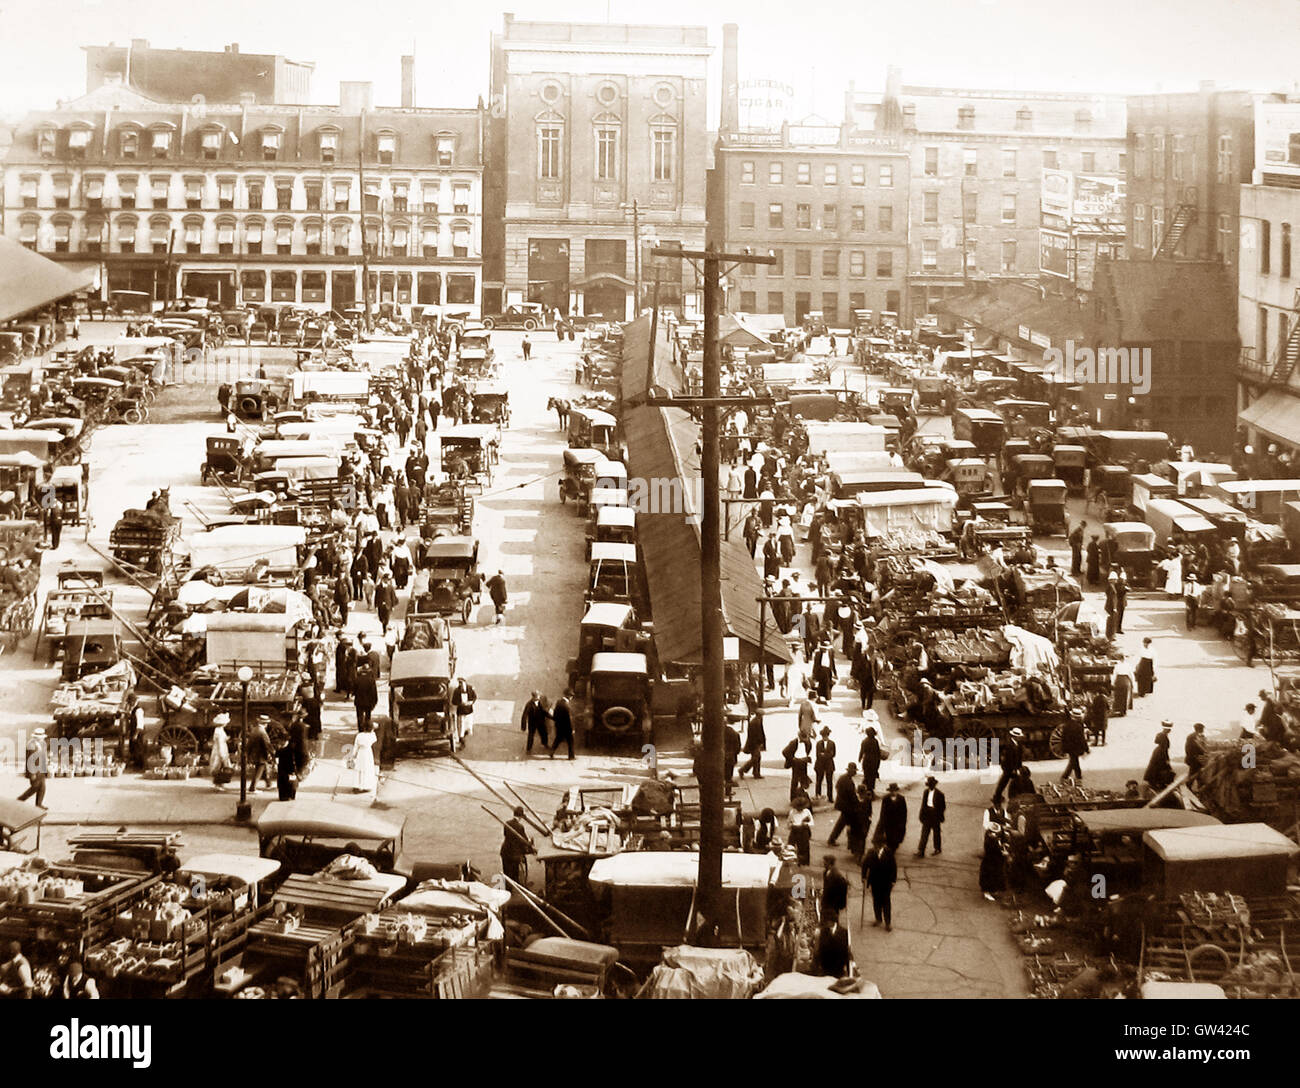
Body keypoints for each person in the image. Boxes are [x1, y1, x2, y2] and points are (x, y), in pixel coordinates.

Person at [863, 845, 897, 931]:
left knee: (886, 902)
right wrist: (863, 878)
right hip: (875, 882)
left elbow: (894, 866)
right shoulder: (871, 852)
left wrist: (893, 880)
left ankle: (888, 923)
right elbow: (865, 865)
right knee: (876, 901)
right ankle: (878, 919)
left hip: (886, 882)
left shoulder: (888, 852)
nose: (875, 848)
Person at [992, 727, 1025, 804]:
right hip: (1009, 768)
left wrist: (1019, 767)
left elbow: (1019, 757)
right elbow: (1009, 759)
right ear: (1015, 736)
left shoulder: (1017, 744)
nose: (1020, 738)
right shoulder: (1009, 745)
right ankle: (997, 797)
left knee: (1012, 781)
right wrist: (1013, 769)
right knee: (1004, 782)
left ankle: (998, 796)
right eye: (1019, 737)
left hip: (1014, 767)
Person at [916, 775, 945, 857]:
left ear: (934, 785)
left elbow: (943, 807)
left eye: (931, 785)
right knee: (924, 833)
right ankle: (921, 851)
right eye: (929, 785)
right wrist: (921, 814)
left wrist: (939, 815)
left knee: (936, 833)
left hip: (935, 815)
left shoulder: (940, 794)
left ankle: (937, 848)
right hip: (927, 814)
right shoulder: (926, 792)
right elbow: (923, 804)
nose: (930, 786)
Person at [1144, 722, 1176, 793]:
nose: (1169, 731)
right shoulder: (1163, 736)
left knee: (1157, 768)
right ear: (1166, 730)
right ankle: (1157, 783)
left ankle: (1157, 782)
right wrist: (1166, 759)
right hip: (1161, 754)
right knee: (1160, 768)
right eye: (1168, 730)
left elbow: (1157, 742)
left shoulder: (1161, 735)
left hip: (1159, 753)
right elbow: (1164, 747)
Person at [18, 730, 47, 807]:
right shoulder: (31, 745)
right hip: (34, 770)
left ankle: (39, 804)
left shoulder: (40, 744)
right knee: (35, 787)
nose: (42, 739)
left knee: (42, 787)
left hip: (40, 770)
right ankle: (20, 800)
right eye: (41, 737)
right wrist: (32, 773)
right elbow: (30, 760)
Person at [246, 716, 275, 791]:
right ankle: (253, 787)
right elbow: (267, 744)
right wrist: (273, 753)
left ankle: (268, 783)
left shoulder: (254, 729)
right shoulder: (262, 732)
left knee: (263, 768)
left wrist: (248, 754)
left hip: (254, 753)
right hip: (261, 754)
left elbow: (249, 743)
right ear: (265, 724)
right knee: (259, 770)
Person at [1060, 708, 1090, 782]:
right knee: (1073, 762)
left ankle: (1078, 775)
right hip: (1075, 747)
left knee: (1074, 761)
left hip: (1068, 746)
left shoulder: (1066, 725)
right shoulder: (1078, 726)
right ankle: (1066, 776)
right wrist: (1086, 749)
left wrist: (1063, 748)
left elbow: (1063, 737)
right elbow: (1082, 739)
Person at [877, 782, 907, 851]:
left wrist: (903, 824)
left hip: (898, 824)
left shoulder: (901, 799)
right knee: (889, 840)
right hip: (888, 823)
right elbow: (883, 812)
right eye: (892, 791)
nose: (893, 792)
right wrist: (883, 824)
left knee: (896, 840)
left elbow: (904, 813)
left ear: (897, 790)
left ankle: (893, 849)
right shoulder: (886, 799)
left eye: (895, 791)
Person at [847, 785, 873, 861]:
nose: (862, 794)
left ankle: (860, 854)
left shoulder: (867, 800)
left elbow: (869, 810)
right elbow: (850, 812)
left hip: (864, 822)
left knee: (862, 838)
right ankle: (855, 851)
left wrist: (868, 818)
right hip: (855, 822)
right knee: (855, 836)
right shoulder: (854, 799)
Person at [738, 711, 766, 779]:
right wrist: (759, 743)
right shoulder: (755, 722)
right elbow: (755, 734)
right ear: (759, 715)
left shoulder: (757, 721)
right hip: (754, 743)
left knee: (757, 758)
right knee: (755, 758)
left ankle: (756, 772)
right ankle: (742, 770)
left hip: (755, 743)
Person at [787, 795, 814, 866]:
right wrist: (792, 825)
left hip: (804, 832)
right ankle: (794, 862)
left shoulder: (807, 812)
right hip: (795, 832)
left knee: (804, 848)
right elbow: (788, 823)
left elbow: (811, 823)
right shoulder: (792, 812)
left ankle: (804, 863)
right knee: (791, 848)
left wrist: (805, 824)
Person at [821, 855, 849, 920]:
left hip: (833, 903)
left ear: (829, 863)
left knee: (832, 919)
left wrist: (840, 904)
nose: (823, 863)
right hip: (827, 901)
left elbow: (843, 888)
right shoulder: (826, 872)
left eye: (825, 862)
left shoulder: (836, 875)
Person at [351, 725, 377, 794]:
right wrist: (373, 731)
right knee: (367, 768)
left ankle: (357, 785)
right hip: (368, 752)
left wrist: (353, 755)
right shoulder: (372, 736)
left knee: (359, 768)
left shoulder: (359, 735)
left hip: (360, 752)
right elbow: (375, 739)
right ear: (371, 729)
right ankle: (366, 786)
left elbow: (355, 746)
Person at [813, 726, 837, 803]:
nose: (825, 737)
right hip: (820, 765)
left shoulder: (832, 743)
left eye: (826, 735)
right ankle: (818, 795)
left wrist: (824, 755)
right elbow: (818, 755)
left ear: (828, 735)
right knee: (819, 780)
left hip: (829, 765)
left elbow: (833, 754)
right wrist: (827, 755)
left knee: (829, 781)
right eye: (823, 736)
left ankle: (830, 797)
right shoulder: (818, 743)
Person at [208, 712, 232, 786]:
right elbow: (220, 743)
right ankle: (218, 783)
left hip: (218, 748)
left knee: (219, 766)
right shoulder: (219, 731)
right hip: (220, 750)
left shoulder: (218, 729)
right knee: (219, 766)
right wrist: (222, 754)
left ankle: (219, 783)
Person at [353, 663, 378, 732]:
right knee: (368, 716)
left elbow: (354, 690)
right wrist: (375, 701)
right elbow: (374, 692)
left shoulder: (357, 679)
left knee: (360, 717)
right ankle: (367, 728)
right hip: (368, 702)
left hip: (359, 701)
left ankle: (360, 730)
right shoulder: (371, 680)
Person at [549, 691, 575, 759]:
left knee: (558, 739)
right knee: (571, 741)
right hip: (566, 726)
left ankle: (551, 751)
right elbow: (569, 718)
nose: (571, 698)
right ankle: (571, 756)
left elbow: (555, 713)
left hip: (559, 725)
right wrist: (572, 728)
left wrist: (556, 721)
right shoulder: (566, 705)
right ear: (569, 696)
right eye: (571, 697)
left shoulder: (559, 702)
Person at [452, 677, 477, 742]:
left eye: (462, 682)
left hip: (469, 710)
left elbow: (474, 697)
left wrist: (471, 702)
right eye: (459, 683)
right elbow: (453, 701)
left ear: (465, 682)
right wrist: (460, 703)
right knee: (461, 725)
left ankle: (467, 735)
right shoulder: (456, 691)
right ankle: (461, 738)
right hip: (461, 711)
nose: (461, 684)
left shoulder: (470, 688)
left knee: (469, 724)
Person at [858, 726, 882, 793]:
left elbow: (861, 751)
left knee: (867, 775)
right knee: (872, 777)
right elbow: (878, 752)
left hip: (867, 761)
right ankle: (870, 790)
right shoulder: (875, 741)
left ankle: (866, 790)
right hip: (874, 761)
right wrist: (878, 762)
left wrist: (859, 759)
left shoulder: (865, 741)